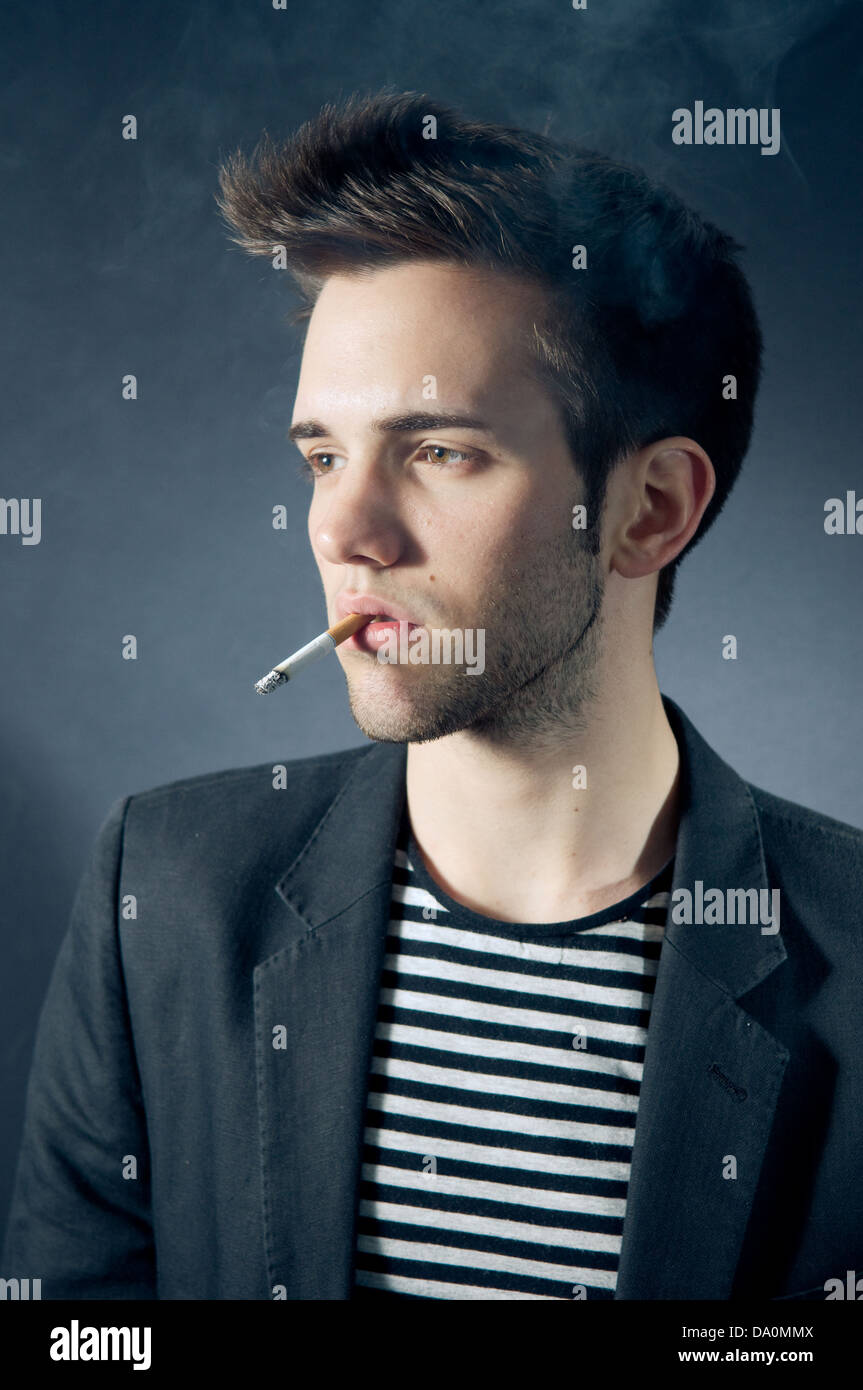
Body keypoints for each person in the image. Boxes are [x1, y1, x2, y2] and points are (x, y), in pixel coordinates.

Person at [3, 91, 862, 1301]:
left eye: (440, 450)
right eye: (321, 457)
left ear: (649, 508)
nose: (342, 530)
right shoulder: (165, 890)